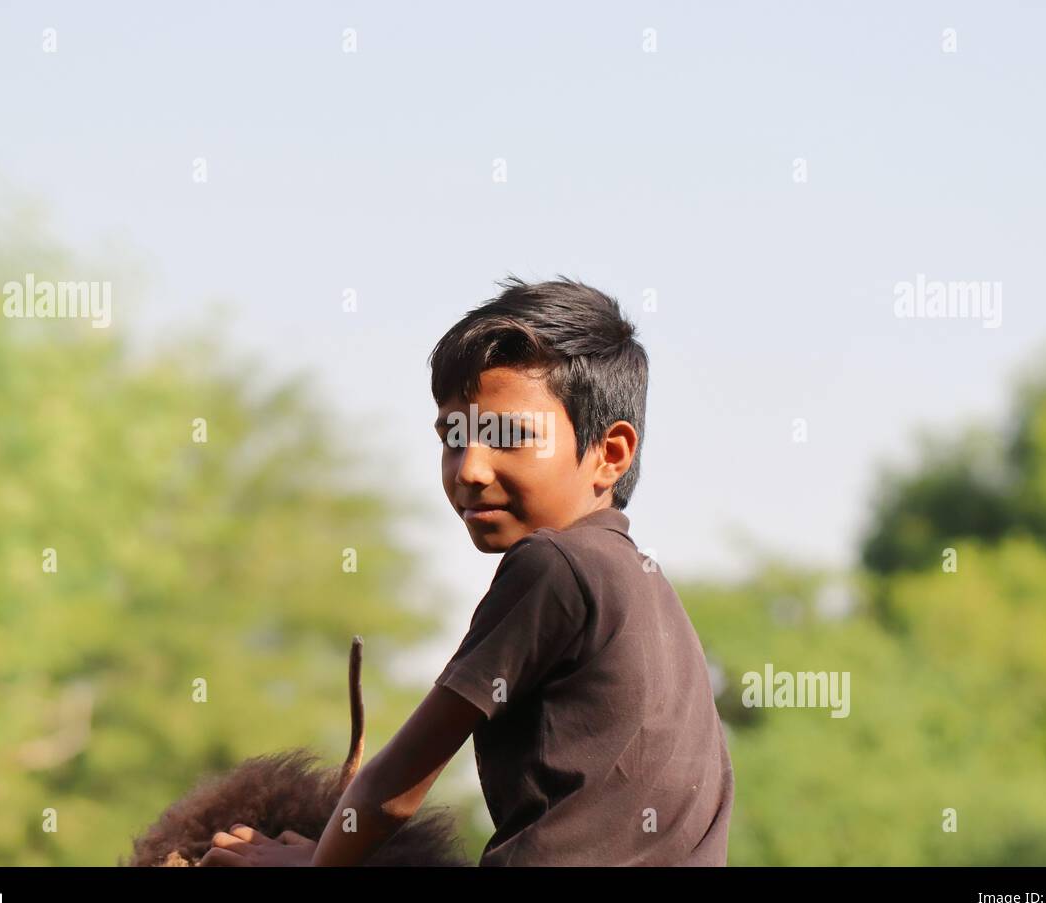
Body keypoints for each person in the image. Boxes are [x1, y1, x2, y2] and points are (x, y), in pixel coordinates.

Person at [200, 275, 734, 866]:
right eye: (455, 437)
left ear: (609, 454)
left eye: (509, 437)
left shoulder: (556, 565)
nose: (471, 468)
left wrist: (314, 865)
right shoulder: (648, 590)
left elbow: (398, 785)